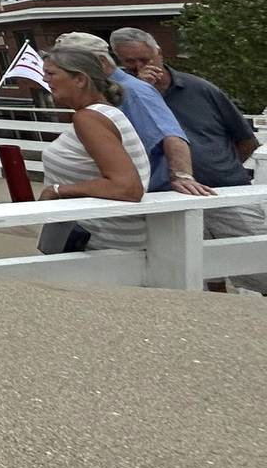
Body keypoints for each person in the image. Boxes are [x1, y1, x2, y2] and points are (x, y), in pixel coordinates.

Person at [111, 27, 267, 293]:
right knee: (193, 273)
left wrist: (221, 169)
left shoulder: (201, 89)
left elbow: (245, 138)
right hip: (167, 198)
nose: (139, 67)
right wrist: (143, 93)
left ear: (159, 52)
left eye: (145, 60)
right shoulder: (121, 97)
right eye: (130, 63)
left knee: (258, 263)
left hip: (224, 191)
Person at [53, 31, 210, 196]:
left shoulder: (135, 91)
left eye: (70, 65)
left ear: (101, 62)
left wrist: (182, 177)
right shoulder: (109, 92)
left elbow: (171, 135)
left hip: (150, 195)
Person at [37, 46, 149, 250]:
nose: (45, 80)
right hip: (104, 239)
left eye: (51, 73)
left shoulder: (88, 118)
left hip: (100, 245)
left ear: (80, 79)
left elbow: (127, 188)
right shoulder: (104, 114)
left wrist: (57, 190)